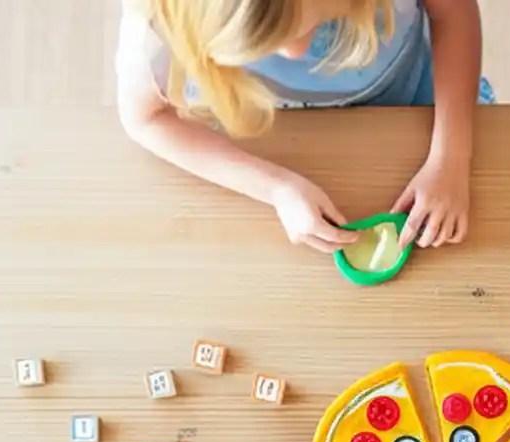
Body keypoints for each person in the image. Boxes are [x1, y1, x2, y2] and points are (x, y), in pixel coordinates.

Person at [116, 0, 486, 254]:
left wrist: (450, 157)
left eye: (314, 22)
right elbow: (145, 118)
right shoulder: (157, 19)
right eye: (270, 41)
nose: (297, 52)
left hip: (413, 99)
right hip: (278, 135)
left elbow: (453, 12)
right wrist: (275, 188)